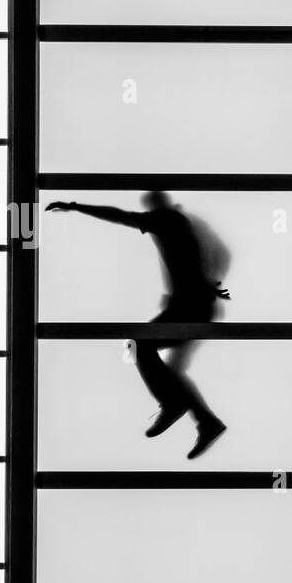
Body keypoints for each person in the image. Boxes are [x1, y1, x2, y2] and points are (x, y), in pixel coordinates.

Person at [46, 191, 229, 459]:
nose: (147, 215)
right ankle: (202, 418)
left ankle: (179, 407)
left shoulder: (167, 219)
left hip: (190, 307)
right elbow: (212, 254)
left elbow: (120, 217)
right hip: (193, 305)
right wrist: (209, 282)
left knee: (140, 345)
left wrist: (75, 206)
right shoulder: (180, 222)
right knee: (164, 366)